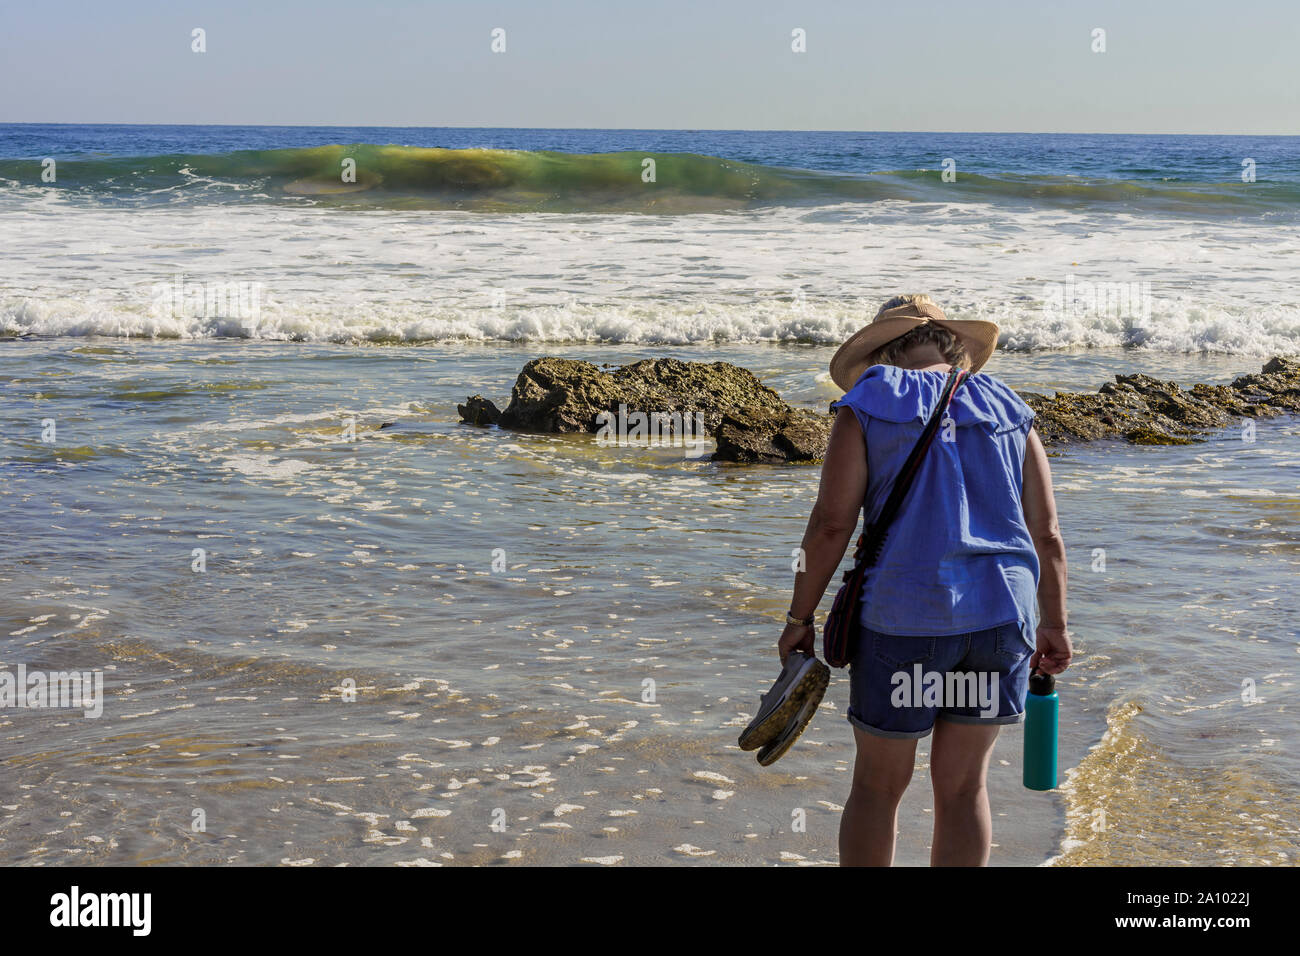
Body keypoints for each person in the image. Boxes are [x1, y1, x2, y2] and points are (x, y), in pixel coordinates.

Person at [778, 294, 1072, 866]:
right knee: (964, 790)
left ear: (882, 351)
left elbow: (832, 523)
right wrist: (1055, 624)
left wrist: (799, 618)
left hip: (903, 619)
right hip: (1002, 619)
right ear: (952, 345)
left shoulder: (868, 402)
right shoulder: (1010, 407)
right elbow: (1049, 534)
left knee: (878, 788)